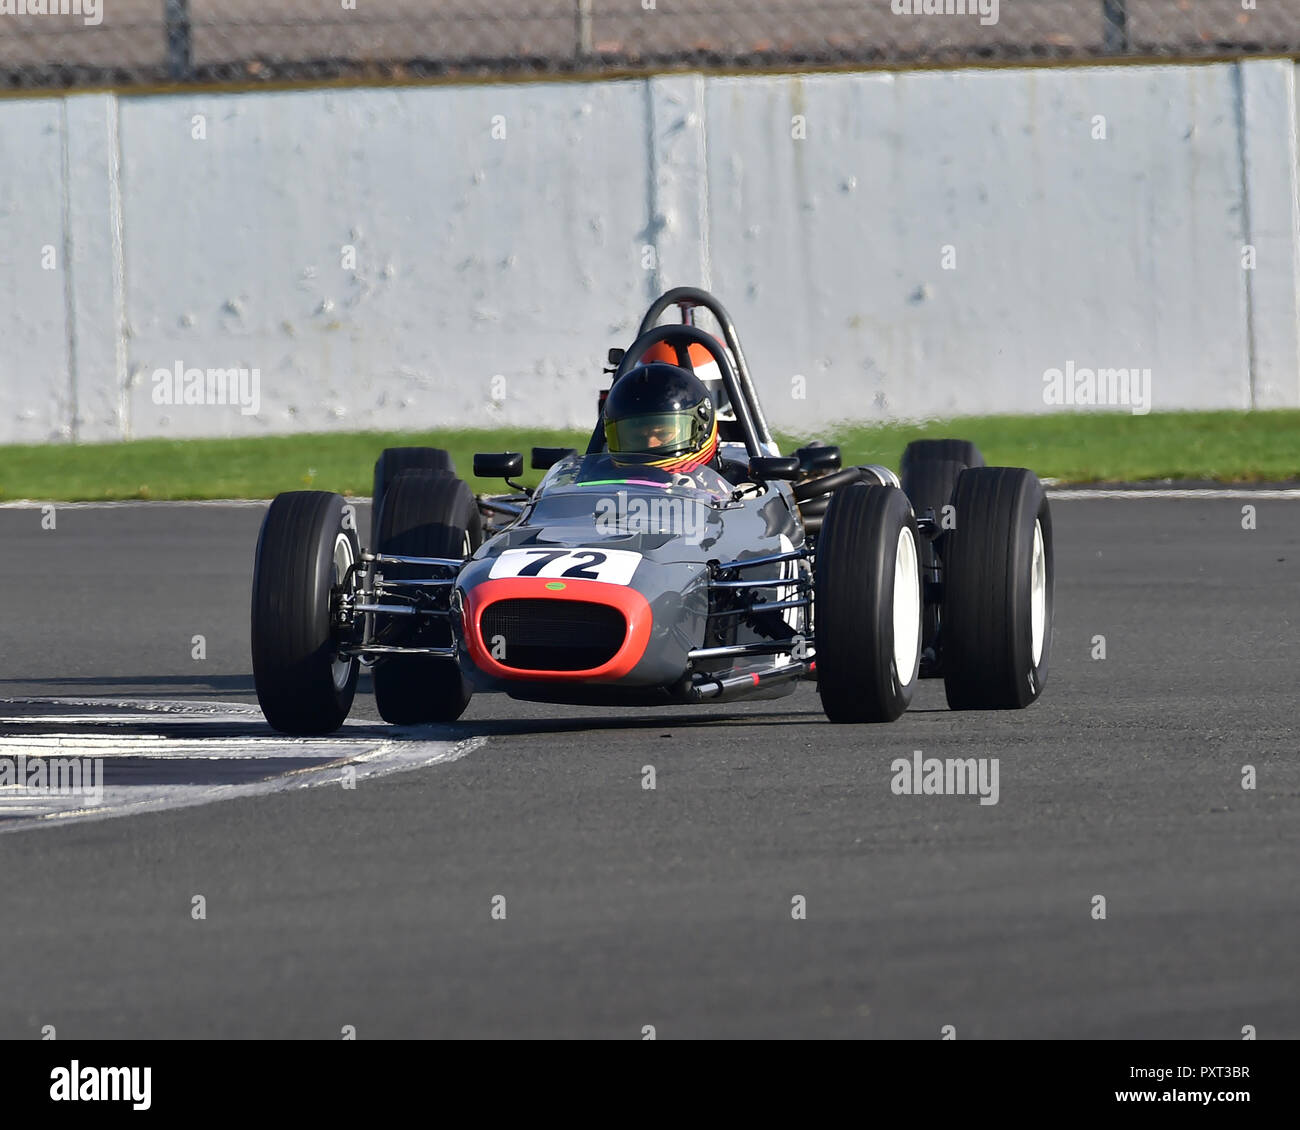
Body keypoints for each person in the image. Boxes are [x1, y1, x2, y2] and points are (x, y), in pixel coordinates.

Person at [602, 362, 719, 474]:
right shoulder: (598, 479)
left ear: (701, 427)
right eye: (636, 438)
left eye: (663, 434)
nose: (651, 445)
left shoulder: (729, 482)